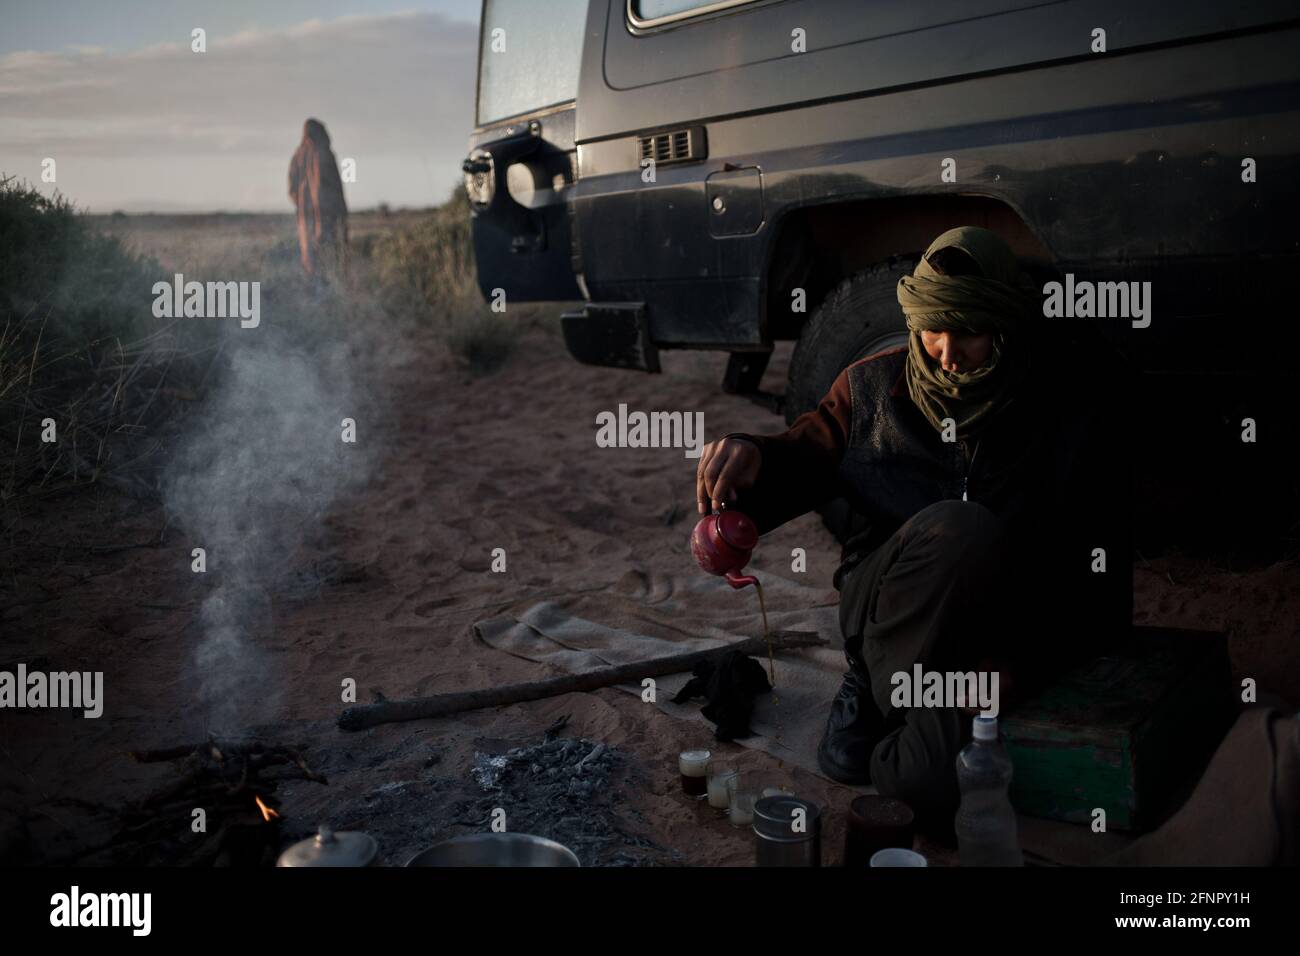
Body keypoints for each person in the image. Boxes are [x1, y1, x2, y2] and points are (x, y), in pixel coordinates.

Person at [694, 226, 1130, 826]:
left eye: (970, 332)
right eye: (933, 330)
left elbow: (1097, 571)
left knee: (920, 783)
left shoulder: (1062, 406)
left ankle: (900, 703)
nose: (947, 354)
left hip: (989, 637)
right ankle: (872, 681)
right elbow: (799, 459)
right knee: (959, 529)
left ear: (1004, 326)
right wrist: (749, 455)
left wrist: (1018, 671)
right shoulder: (871, 388)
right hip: (885, 608)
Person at [288, 118, 348, 278]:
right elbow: (336, 187)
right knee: (328, 258)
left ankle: (317, 292)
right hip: (326, 217)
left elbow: (291, 189)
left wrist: (302, 204)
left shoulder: (298, 155)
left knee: (312, 261)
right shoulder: (324, 153)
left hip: (309, 219)